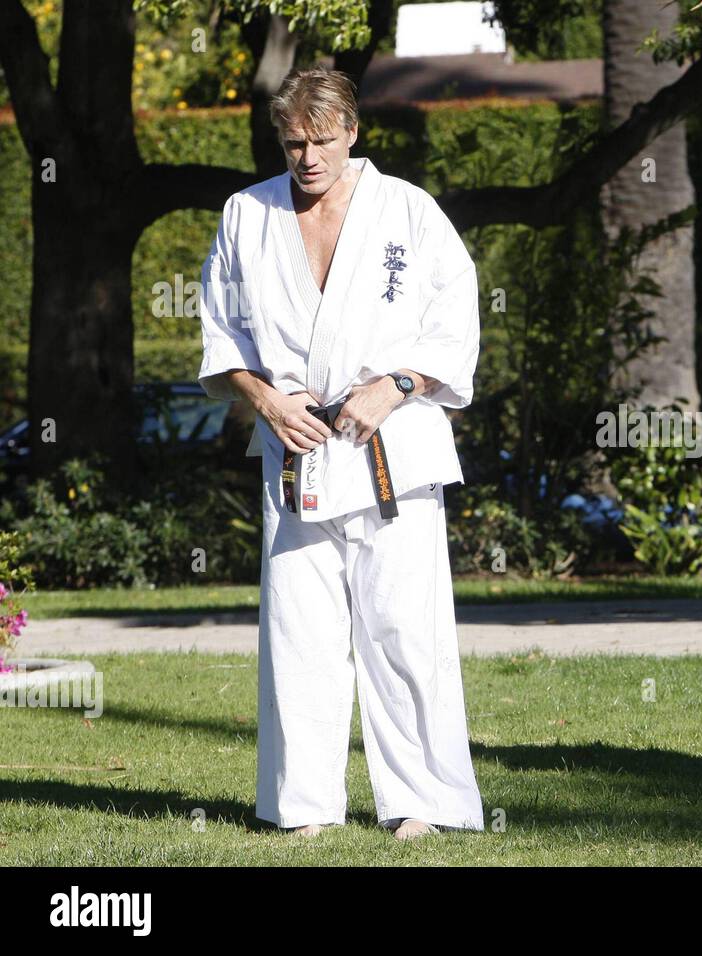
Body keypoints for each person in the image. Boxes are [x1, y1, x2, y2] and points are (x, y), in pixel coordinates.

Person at [196, 68, 484, 837]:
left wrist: (395, 383)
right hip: (295, 448)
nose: (308, 158)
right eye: (293, 143)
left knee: (402, 630)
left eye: (322, 141)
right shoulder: (245, 214)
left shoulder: (408, 211)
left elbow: (455, 326)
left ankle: (423, 802)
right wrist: (265, 400)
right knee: (300, 634)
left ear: (353, 132)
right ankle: (303, 807)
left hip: (393, 445)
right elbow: (220, 336)